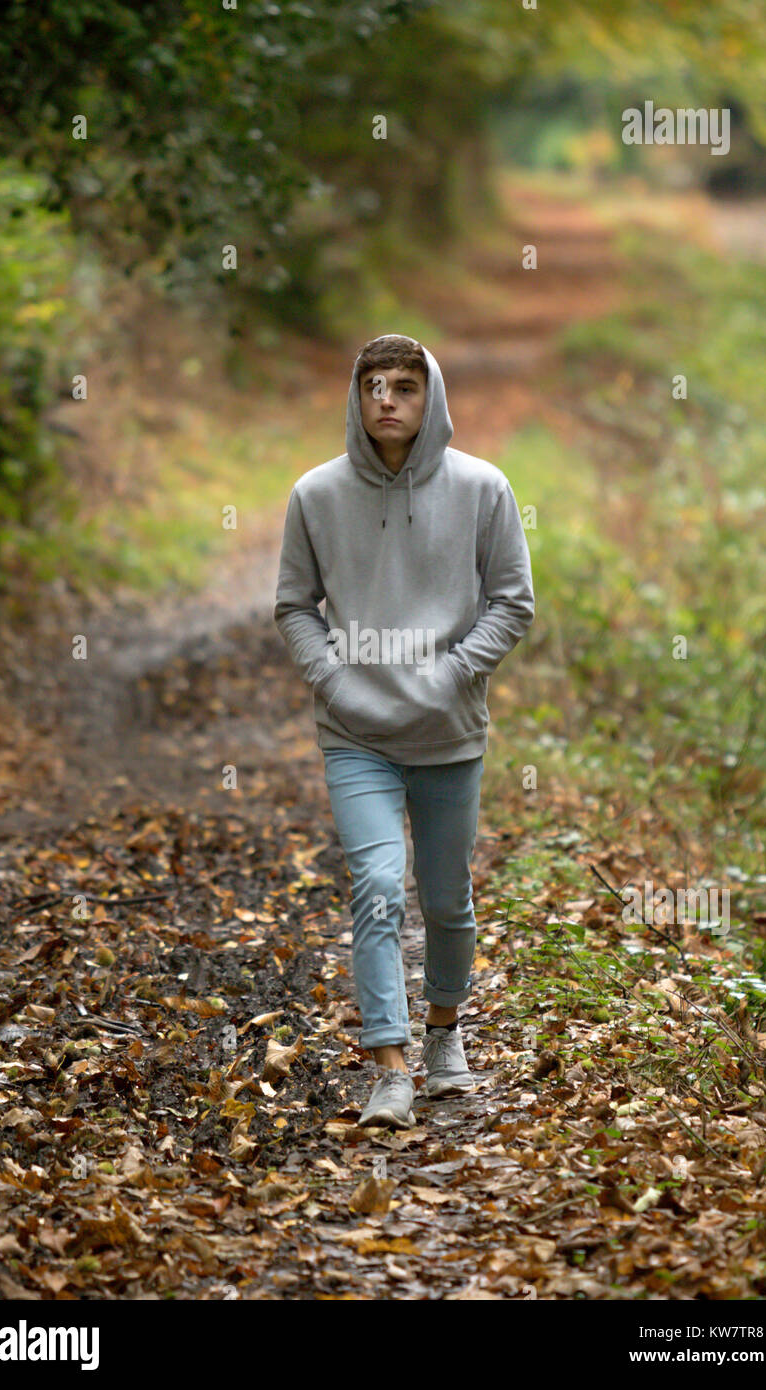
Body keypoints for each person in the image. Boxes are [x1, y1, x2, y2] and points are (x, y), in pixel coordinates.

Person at [274, 334, 535, 1128]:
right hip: (357, 734)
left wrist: (454, 673)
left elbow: (513, 601)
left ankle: (444, 1036)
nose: (387, 399)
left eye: (406, 387)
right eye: (373, 385)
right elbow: (294, 606)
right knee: (379, 888)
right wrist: (333, 679)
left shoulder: (483, 488)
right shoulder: (315, 494)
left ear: (433, 400)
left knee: (448, 903)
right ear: (355, 399)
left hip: (449, 733)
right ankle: (388, 1065)